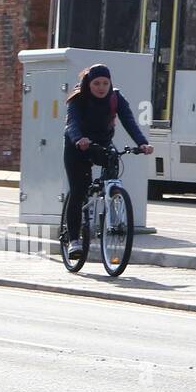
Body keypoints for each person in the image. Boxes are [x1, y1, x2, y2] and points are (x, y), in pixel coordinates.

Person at [63, 64, 153, 261]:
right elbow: (72, 123)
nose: (101, 87)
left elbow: (129, 121)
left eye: (105, 83)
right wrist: (79, 139)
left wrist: (142, 143)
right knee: (78, 191)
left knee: (112, 166)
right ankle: (73, 240)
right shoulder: (78, 98)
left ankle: (110, 198)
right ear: (89, 83)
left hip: (102, 144)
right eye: (97, 83)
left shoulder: (115, 98)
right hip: (78, 146)